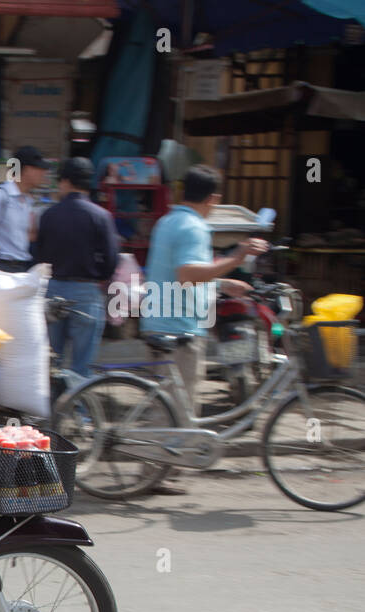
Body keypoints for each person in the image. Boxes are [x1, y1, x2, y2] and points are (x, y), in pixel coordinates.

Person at [143, 164, 267, 417]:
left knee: (166, 410)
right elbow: (188, 275)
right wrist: (236, 256)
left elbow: (176, 273)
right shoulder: (194, 227)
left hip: (159, 324)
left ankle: (159, 451)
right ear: (214, 199)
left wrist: (222, 283)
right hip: (179, 331)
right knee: (177, 418)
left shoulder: (166, 222)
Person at [34, 157, 120, 378]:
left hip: (52, 292)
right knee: (82, 365)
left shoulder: (49, 215)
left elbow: (39, 255)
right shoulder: (102, 216)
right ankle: (79, 411)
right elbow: (111, 260)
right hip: (86, 292)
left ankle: (50, 409)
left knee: (51, 361)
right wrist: (98, 276)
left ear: (64, 181)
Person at [0, 145, 48, 273]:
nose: (44, 173)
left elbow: (29, 237)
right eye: (40, 169)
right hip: (0, 266)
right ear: (27, 170)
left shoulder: (28, 201)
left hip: (22, 267)